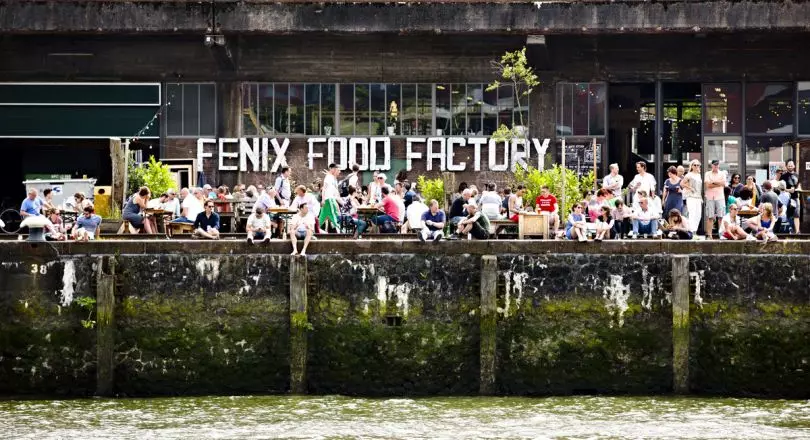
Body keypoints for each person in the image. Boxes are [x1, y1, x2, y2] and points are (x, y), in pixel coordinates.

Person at [704, 159, 727, 239]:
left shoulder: (722, 173)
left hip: (720, 197)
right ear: (712, 165)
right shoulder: (707, 173)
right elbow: (708, 185)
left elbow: (723, 184)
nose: (716, 166)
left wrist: (713, 182)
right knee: (710, 217)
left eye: (717, 164)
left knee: (721, 217)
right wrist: (718, 183)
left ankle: (721, 235)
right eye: (715, 164)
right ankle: (709, 235)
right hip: (710, 197)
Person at [681, 160, 703, 234]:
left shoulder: (700, 175)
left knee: (698, 215)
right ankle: (692, 231)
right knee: (692, 214)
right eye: (695, 165)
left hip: (698, 197)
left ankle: (694, 230)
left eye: (698, 165)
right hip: (690, 196)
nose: (696, 166)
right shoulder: (689, 174)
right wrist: (690, 188)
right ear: (692, 166)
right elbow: (682, 183)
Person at [320, 163, 342, 232]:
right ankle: (339, 230)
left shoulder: (331, 177)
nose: (336, 171)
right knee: (334, 214)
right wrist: (323, 199)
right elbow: (324, 188)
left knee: (322, 217)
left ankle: (314, 228)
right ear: (331, 169)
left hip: (330, 199)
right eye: (335, 169)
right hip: (329, 199)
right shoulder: (328, 177)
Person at [781, 159, 801, 233]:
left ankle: (797, 231)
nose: (790, 167)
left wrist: (797, 189)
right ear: (786, 166)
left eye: (791, 165)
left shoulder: (797, 175)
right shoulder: (783, 176)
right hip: (786, 197)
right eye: (789, 166)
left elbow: (799, 186)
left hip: (795, 197)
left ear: (794, 166)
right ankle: (789, 229)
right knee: (788, 214)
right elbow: (780, 188)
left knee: (797, 214)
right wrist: (789, 190)